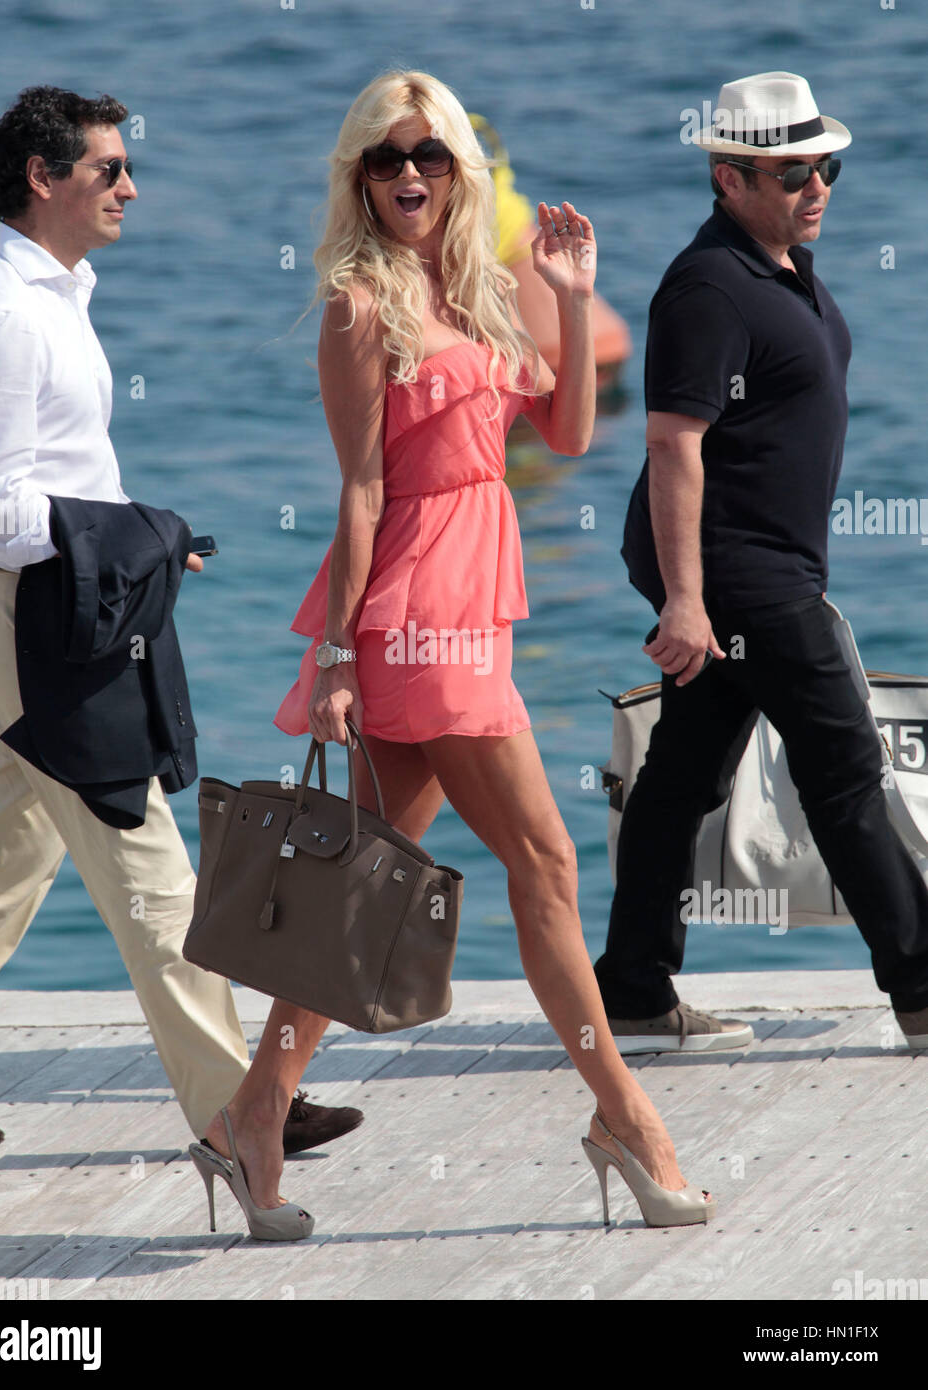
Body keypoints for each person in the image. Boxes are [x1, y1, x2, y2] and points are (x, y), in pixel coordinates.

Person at [187, 69, 715, 1242]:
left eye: (429, 156)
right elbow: (364, 490)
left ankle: (251, 1117)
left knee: (363, 881)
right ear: (360, 177)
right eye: (387, 159)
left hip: (474, 609)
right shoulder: (358, 304)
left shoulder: (482, 292)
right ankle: (626, 1115)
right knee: (545, 863)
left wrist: (574, 303)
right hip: (412, 616)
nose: (410, 175)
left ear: (460, 171)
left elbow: (571, 433)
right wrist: (333, 655)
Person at [0, 87, 362, 1154]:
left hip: (70, 613)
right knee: (148, 864)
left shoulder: (61, 296)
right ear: (44, 181)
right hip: (46, 627)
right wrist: (128, 537)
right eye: (108, 170)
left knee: (3, 866)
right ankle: (238, 1110)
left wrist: (130, 543)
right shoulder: (2, 317)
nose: (131, 186)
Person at [593, 71, 928, 1055]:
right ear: (726, 174)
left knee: (684, 775)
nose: (815, 186)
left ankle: (633, 990)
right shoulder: (707, 287)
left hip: (754, 570)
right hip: (740, 577)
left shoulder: (779, 264)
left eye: (822, 166)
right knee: (848, 775)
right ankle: (921, 986)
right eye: (789, 173)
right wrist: (689, 601)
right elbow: (670, 445)